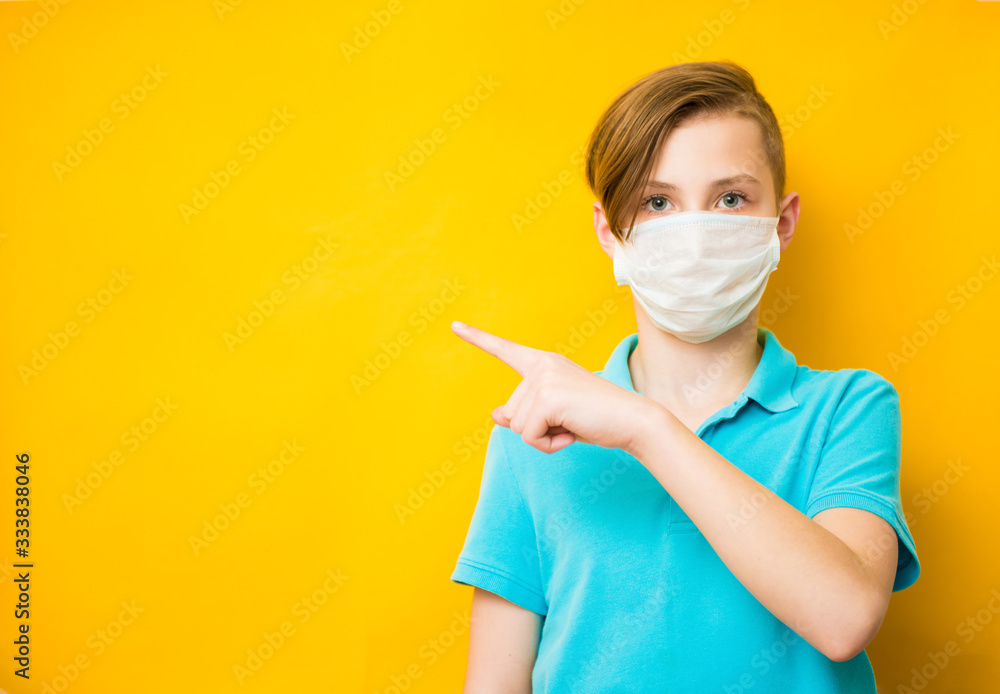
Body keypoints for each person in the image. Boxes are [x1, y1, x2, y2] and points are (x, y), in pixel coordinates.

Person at [448, 60, 920, 693]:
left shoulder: (847, 409)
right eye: (657, 201)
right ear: (611, 234)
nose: (695, 232)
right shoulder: (533, 432)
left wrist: (648, 428)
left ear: (780, 223)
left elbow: (845, 617)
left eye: (730, 198)